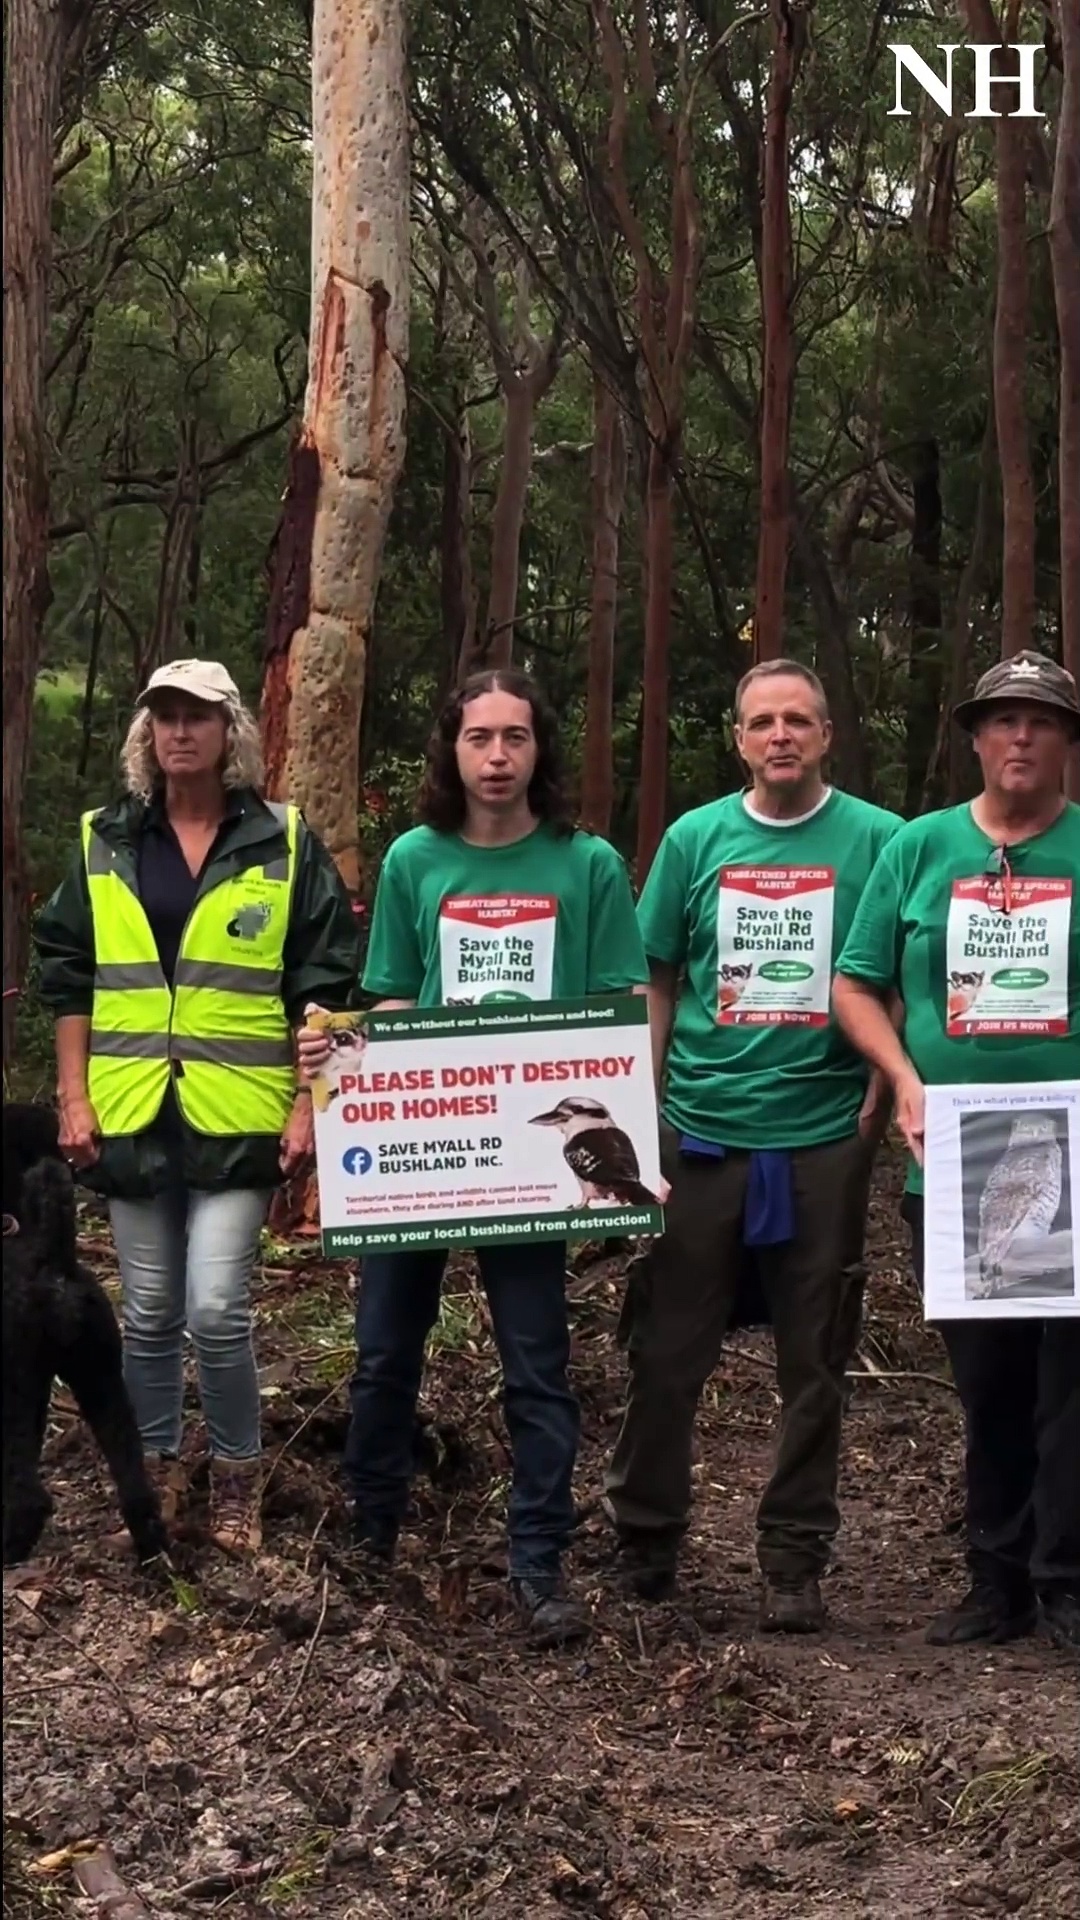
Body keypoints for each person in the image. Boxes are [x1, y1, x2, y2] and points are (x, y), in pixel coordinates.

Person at [299, 668, 648, 1646]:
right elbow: (397, 997)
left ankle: (539, 1564)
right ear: (451, 751)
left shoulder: (586, 865)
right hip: (426, 1144)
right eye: (479, 738)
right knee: (383, 1354)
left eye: (517, 738)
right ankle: (370, 1547)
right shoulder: (416, 859)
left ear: (542, 750)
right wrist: (344, 1049)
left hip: (533, 1157)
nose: (498, 756)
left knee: (537, 1362)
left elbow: (619, 1009)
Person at [33, 659, 359, 1555]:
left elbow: (323, 986)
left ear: (230, 733)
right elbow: (70, 975)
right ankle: (157, 1470)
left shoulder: (285, 842)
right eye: (164, 716)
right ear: (147, 734)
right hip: (129, 1110)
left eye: (198, 717)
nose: (180, 731)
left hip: (242, 1109)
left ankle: (237, 1477)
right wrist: (71, 1097)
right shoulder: (103, 839)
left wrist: (308, 1108)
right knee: (146, 1314)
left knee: (215, 1307)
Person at [604, 658, 904, 1630]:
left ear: (825, 736)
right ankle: (647, 1543)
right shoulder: (696, 840)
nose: (781, 736)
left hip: (824, 1134)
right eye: (762, 721)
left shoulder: (881, 840)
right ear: (739, 738)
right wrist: (642, 1106)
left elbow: (898, 974)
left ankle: (793, 1559)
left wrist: (880, 1077)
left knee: (815, 1358)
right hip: (703, 1131)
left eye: (798, 721)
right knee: (668, 1348)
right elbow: (657, 978)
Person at [834, 650, 1080, 1652]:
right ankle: (996, 1583)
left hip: (1072, 1149)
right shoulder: (920, 849)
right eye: (1002, 720)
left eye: (1042, 719)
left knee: (1072, 1384)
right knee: (988, 1380)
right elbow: (855, 982)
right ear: (975, 738)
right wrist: (902, 1075)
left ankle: (1065, 1584)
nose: (1020, 735)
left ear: (1066, 741)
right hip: (958, 1153)